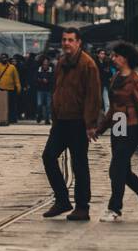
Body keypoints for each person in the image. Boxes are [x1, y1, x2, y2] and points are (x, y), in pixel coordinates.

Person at [41, 27, 101, 221]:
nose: (66, 43)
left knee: (79, 164)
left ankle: (82, 207)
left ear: (78, 43)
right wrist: (54, 116)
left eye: (70, 40)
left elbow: (93, 96)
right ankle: (62, 200)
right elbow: (56, 90)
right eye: (64, 40)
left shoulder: (87, 65)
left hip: (78, 122)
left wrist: (90, 124)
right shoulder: (61, 63)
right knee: (48, 157)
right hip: (61, 122)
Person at [97, 42, 138, 222]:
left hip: (132, 128)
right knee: (122, 170)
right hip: (118, 126)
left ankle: (115, 208)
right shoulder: (116, 78)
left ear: (125, 58)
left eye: (116, 56)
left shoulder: (136, 79)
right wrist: (100, 129)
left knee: (116, 169)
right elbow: (113, 109)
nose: (113, 58)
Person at [0, 55, 22, 123]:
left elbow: (16, 78)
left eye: (5, 58)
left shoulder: (12, 67)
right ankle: (2, 118)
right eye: (2, 58)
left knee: (11, 105)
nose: (4, 59)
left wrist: (18, 87)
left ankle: (12, 119)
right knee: (2, 105)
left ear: (7, 59)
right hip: (1, 89)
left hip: (10, 89)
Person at [34, 56, 53, 124]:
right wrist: (41, 80)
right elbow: (35, 78)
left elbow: (53, 79)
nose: (45, 65)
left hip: (48, 90)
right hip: (40, 89)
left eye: (46, 63)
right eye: (44, 64)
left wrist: (48, 81)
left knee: (48, 105)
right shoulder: (38, 70)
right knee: (39, 104)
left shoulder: (51, 70)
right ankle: (39, 116)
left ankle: (47, 119)